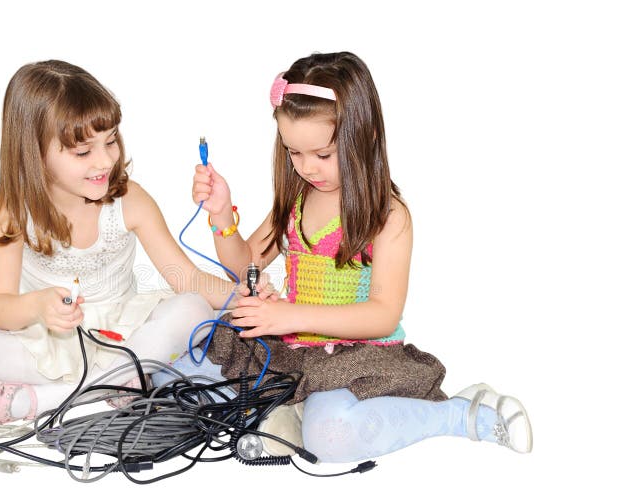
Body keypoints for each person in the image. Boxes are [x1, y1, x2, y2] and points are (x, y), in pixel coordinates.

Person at [185, 52, 533, 462]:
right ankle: (291, 409)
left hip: (358, 354)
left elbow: (383, 313)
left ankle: (460, 414)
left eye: (323, 154)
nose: (307, 168)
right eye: (294, 153)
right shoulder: (296, 198)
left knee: (330, 437)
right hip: (294, 349)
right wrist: (222, 216)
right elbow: (246, 266)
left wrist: (291, 315)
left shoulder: (387, 215)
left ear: (362, 137)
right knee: (191, 372)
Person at [0, 60, 238, 426]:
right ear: (35, 154)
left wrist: (243, 296)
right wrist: (38, 305)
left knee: (193, 309)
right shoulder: (15, 213)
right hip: (46, 346)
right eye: (83, 152)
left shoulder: (130, 200)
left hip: (124, 339)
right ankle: (117, 386)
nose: (105, 160)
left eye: (110, 141)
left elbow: (185, 278)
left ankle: (47, 400)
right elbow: (0, 308)